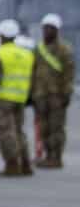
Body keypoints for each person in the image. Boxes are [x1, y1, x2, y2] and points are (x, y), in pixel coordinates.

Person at [0, 20, 35, 177]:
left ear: (2, 36)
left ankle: (12, 165)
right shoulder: (27, 54)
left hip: (4, 97)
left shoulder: (0, 54)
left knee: (5, 131)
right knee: (19, 131)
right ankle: (25, 164)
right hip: (21, 98)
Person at [32, 13, 72, 169]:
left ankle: (57, 157)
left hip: (57, 96)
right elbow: (33, 71)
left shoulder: (64, 50)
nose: (47, 31)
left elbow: (68, 73)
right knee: (44, 127)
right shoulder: (38, 49)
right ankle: (48, 156)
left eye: (50, 28)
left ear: (57, 30)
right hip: (40, 95)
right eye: (45, 28)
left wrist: (66, 94)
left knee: (57, 127)